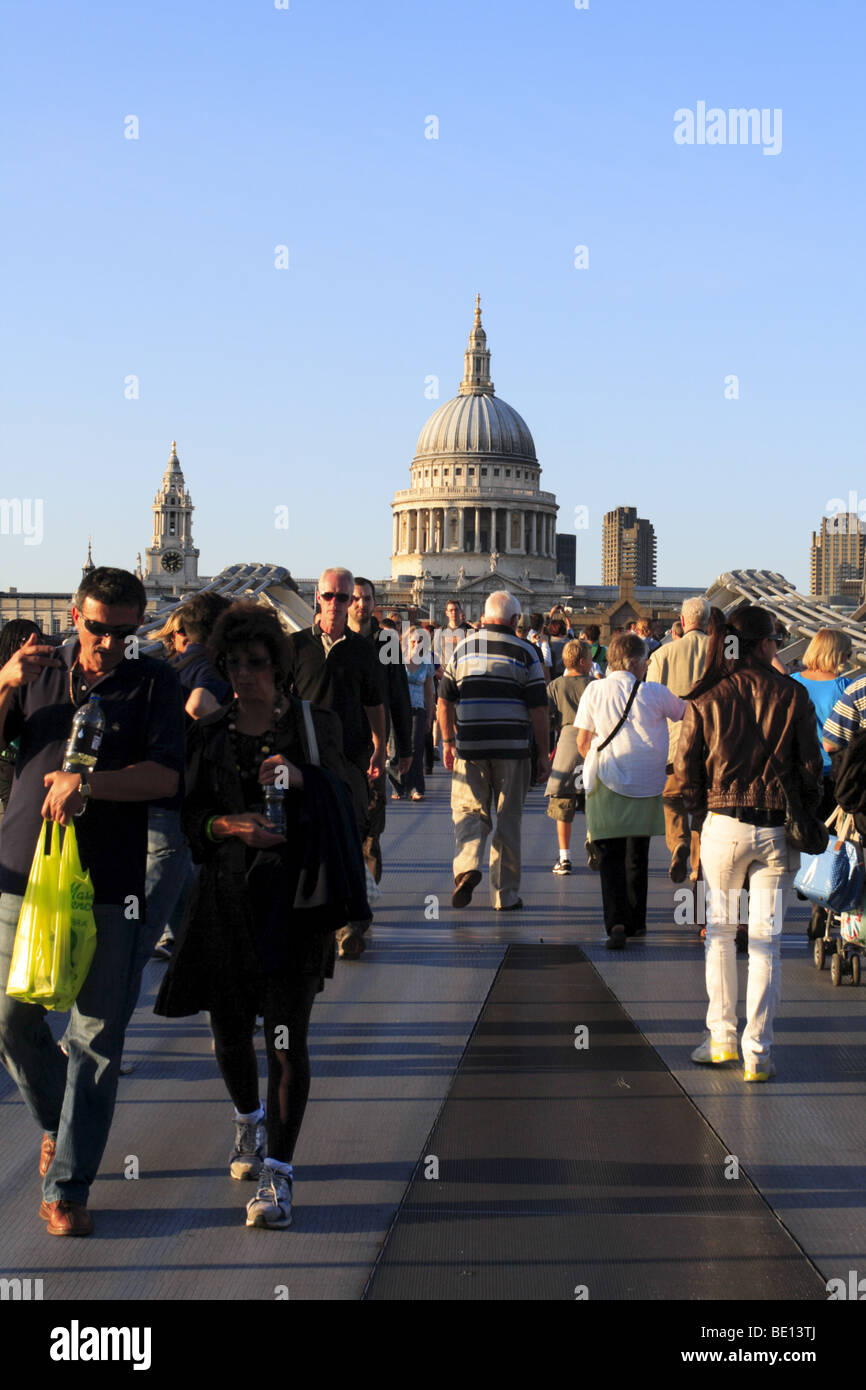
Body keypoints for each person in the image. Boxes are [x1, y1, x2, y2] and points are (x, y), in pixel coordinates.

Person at [155, 603, 367, 1229]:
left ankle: (280, 1174)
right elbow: (191, 823)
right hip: (224, 901)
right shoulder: (209, 735)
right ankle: (247, 1119)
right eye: (232, 663)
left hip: (293, 904)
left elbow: (352, 799)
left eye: (255, 662)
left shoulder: (313, 726)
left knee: (284, 1039)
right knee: (227, 1032)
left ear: (277, 663)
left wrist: (305, 780)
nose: (243, 674)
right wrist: (228, 824)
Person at [0, 568, 184, 1235]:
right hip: (23, 871)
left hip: (108, 883)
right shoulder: (35, 670)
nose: (108, 643)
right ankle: (60, 1121)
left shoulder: (155, 683)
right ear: (75, 616)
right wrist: (3, 683)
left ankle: (68, 1187)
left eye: (125, 632)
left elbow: (166, 776)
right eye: (98, 627)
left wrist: (89, 784)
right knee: (11, 1021)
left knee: (97, 1040)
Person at [673, 605, 823, 1080]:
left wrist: (703, 814)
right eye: (776, 641)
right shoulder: (793, 695)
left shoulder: (706, 697)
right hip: (777, 831)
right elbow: (810, 769)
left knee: (719, 934)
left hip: (723, 827)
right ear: (764, 644)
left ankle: (720, 1040)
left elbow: (684, 772)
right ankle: (757, 1053)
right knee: (767, 943)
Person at [285, 567, 385, 959]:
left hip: (349, 756)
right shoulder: (293, 647)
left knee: (351, 833)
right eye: (329, 596)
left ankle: (349, 924)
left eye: (344, 597)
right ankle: (312, 915)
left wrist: (381, 744)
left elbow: (373, 702)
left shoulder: (363, 650)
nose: (336, 604)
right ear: (317, 597)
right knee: (305, 834)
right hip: (304, 758)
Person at [437, 591, 548, 911]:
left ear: (484, 617)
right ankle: (505, 895)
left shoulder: (461, 648)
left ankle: (468, 867)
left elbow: (444, 701)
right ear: (515, 621)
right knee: (509, 821)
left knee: (468, 811)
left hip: (470, 747)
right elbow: (538, 709)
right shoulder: (526, 651)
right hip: (512, 749)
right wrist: (543, 755)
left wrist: (447, 741)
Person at [576, 633, 686, 949]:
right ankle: (638, 921)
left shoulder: (594, 690)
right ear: (636, 662)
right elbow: (687, 714)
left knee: (610, 855)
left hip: (607, 782)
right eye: (646, 663)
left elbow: (583, 742)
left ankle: (617, 923)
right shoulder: (655, 693)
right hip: (648, 783)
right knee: (637, 854)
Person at [146, 593, 232, 962]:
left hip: (152, 792)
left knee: (181, 892)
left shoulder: (168, 667)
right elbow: (198, 704)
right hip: (184, 794)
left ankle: (189, 951)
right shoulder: (211, 671)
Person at [790, 628, 853, 940]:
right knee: (837, 840)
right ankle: (827, 905)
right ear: (835, 654)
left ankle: (809, 889)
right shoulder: (845, 686)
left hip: (802, 773)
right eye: (845, 653)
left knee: (808, 835)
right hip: (836, 774)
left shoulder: (794, 684)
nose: (849, 658)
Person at [347, 576, 412, 877]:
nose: (361, 604)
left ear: (374, 603)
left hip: (375, 745)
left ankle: (368, 892)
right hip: (340, 743)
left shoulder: (386, 641)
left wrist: (406, 747)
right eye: (356, 598)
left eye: (367, 599)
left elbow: (399, 694)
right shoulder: (333, 640)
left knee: (374, 820)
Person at [646, 597, 711, 885]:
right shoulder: (721, 652)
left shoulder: (662, 654)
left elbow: (649, 701)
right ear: (708, 623)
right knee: (703, 808)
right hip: (711, 744)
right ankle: (698, 865)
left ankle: (678, 843)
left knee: (671, 799)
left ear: (682, 622)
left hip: (673, 743)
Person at [546, 639, 592, 874]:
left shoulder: (555, 685)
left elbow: (549, 716)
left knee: (563, 804)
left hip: (566, 746)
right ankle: (593, 841)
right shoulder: (595, 685)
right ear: (584, 662)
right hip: (591, 746)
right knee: (593, 801)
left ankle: (564, 858)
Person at [0, 620, 43, 816]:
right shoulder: (5, 675)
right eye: (25, 639)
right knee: (13, 813)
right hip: (8, 762)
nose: (33, 644)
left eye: (38, 638)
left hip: (33, 761)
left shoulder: (43, 674)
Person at [391, 624, 434, 801]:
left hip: (418, 708)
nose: (416, 644)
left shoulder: (427, 662)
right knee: (396, 748)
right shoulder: (397, 660)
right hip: (398, 708)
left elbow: (429, 691)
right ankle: (398, 786)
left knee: (416, 749)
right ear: (407, 642)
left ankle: (415, 787)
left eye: (420, 641)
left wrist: (430, 716)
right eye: (413, 640)